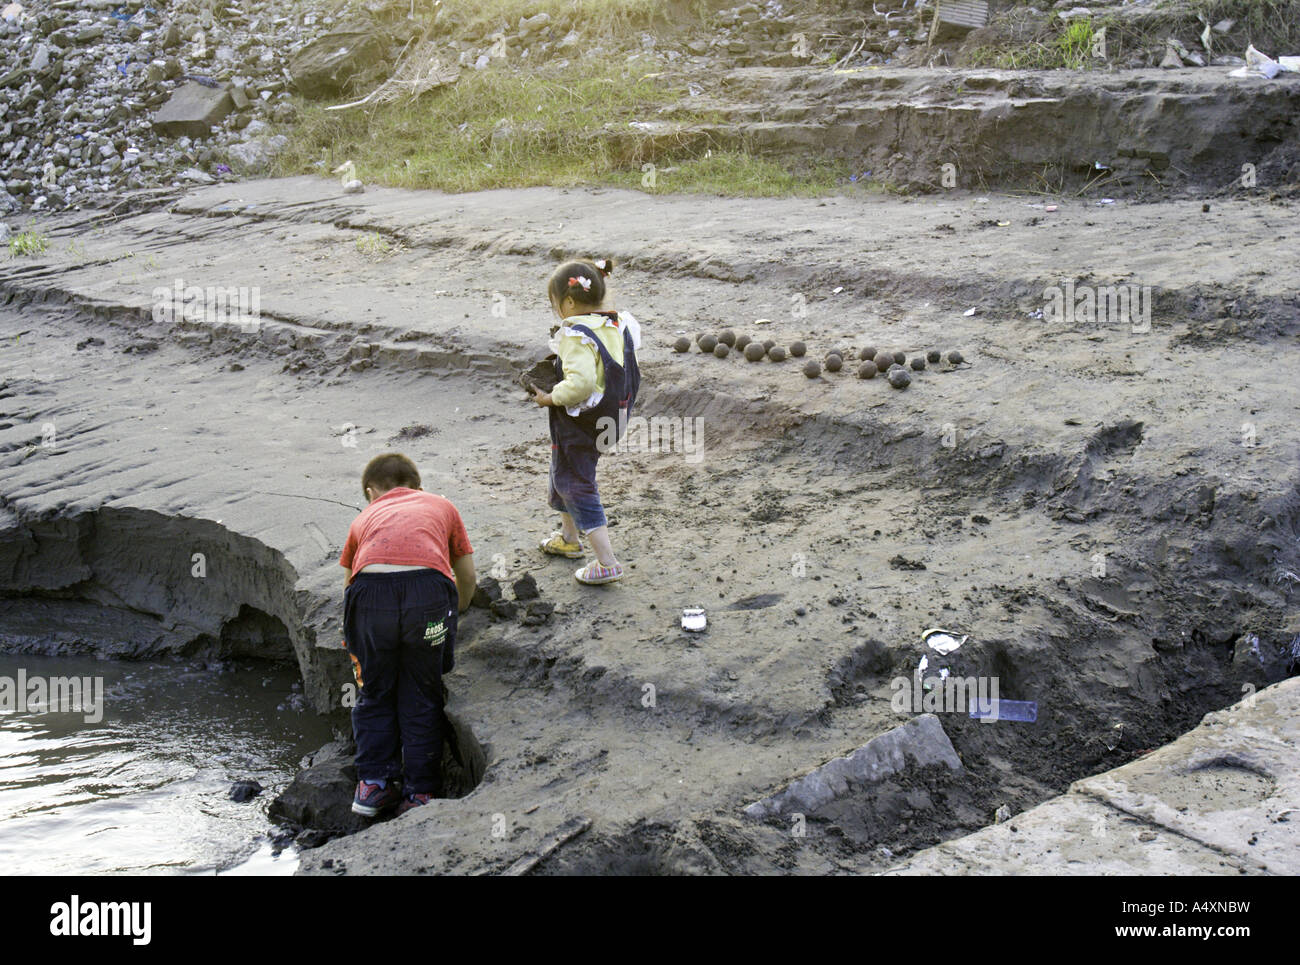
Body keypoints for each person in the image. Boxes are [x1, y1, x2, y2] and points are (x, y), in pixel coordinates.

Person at [338, 452, 476, 817]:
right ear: (419, 486)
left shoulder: (363, 518)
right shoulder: (441, 505)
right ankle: (420, 793)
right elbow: (466, 575)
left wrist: (358, 636)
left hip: (369, 596)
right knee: (422, 692)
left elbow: (349, 585)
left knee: (374, 692)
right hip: (428, 594)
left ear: (371, 492)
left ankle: (373, 785)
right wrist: (456, 611)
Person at [531, 258, 641, 585]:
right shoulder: (617, 324)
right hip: (613, 418)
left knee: (576, 485)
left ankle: (607, 562)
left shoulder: (576, 334)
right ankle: (569, 538)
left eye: (555, 305)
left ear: (567, 302)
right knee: (563, 473)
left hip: (582, 426)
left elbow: (580, 384)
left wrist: (549, 397)